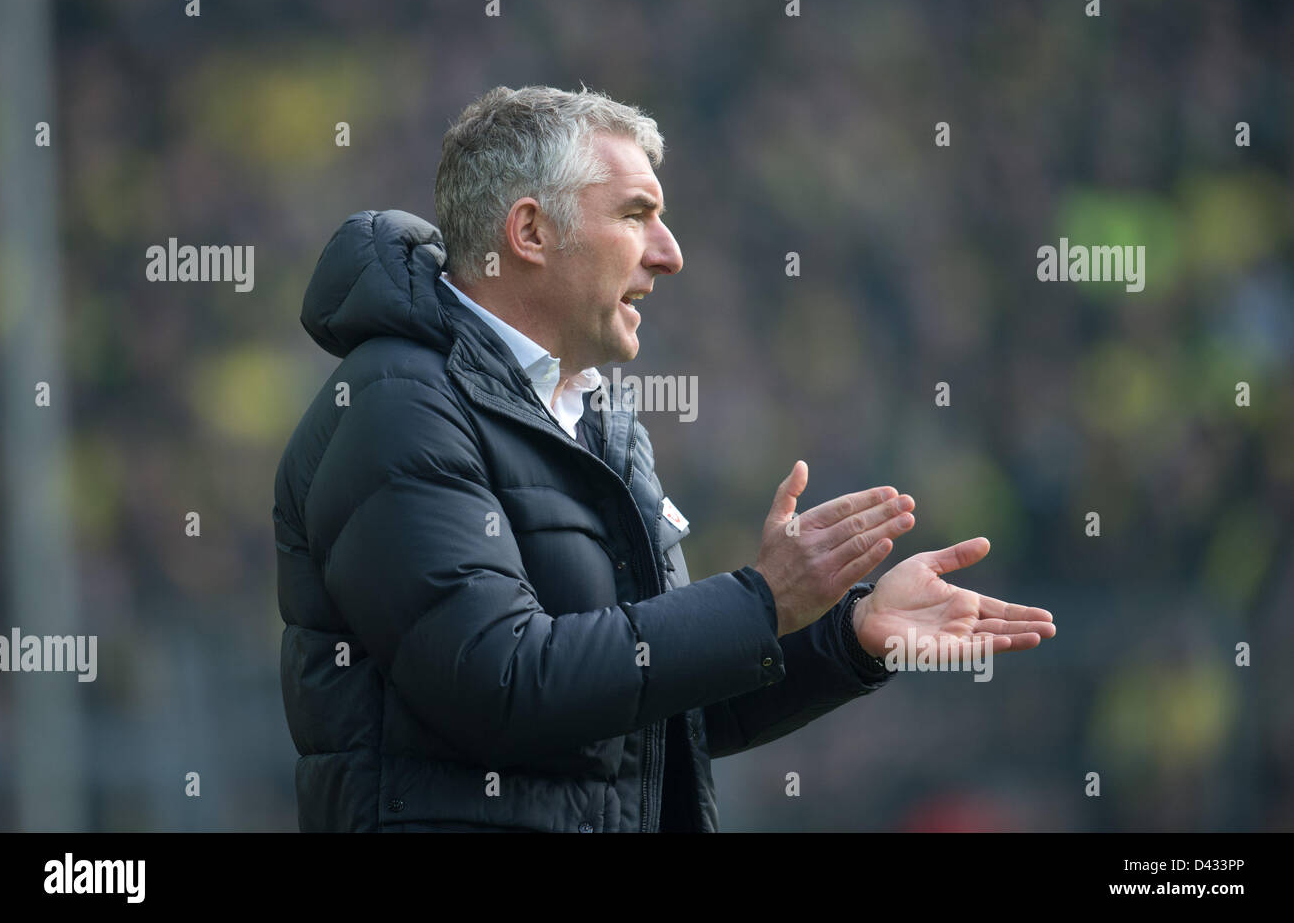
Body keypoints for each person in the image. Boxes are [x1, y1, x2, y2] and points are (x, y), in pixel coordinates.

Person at [273, 84, 1056, 832]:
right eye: (637, 214)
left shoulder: (598, 419)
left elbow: (657, 711)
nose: (670, 254)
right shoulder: (395, 406)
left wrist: (846, 637)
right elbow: (502, 684)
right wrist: (760, 602)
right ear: (530, 232)